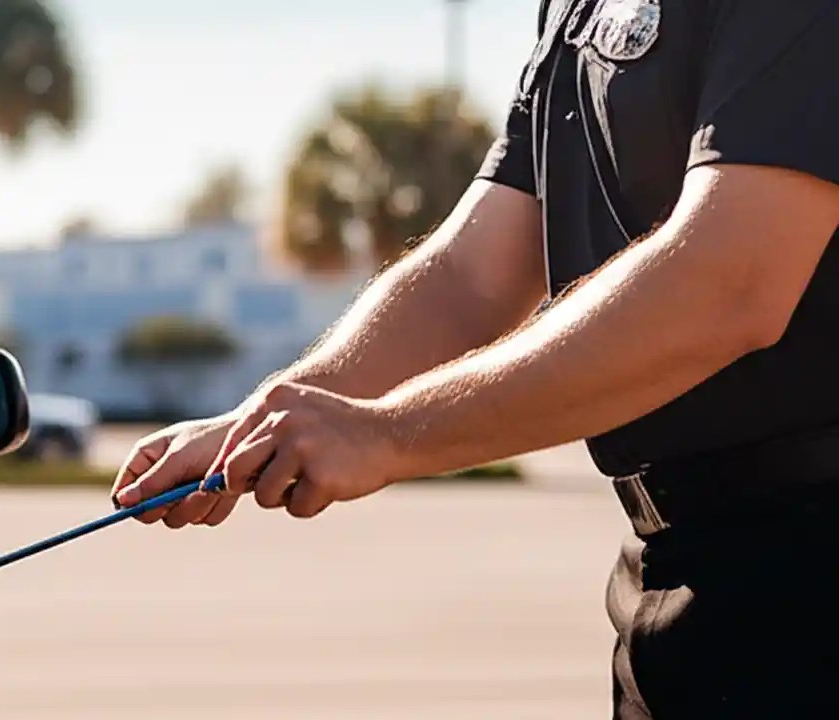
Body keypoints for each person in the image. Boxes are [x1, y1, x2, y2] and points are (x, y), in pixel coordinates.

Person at [111, 0, 839, 716]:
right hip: (680, 577)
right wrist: (256, 422)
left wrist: (389, 433)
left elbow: (732, 280)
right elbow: (471, 277)